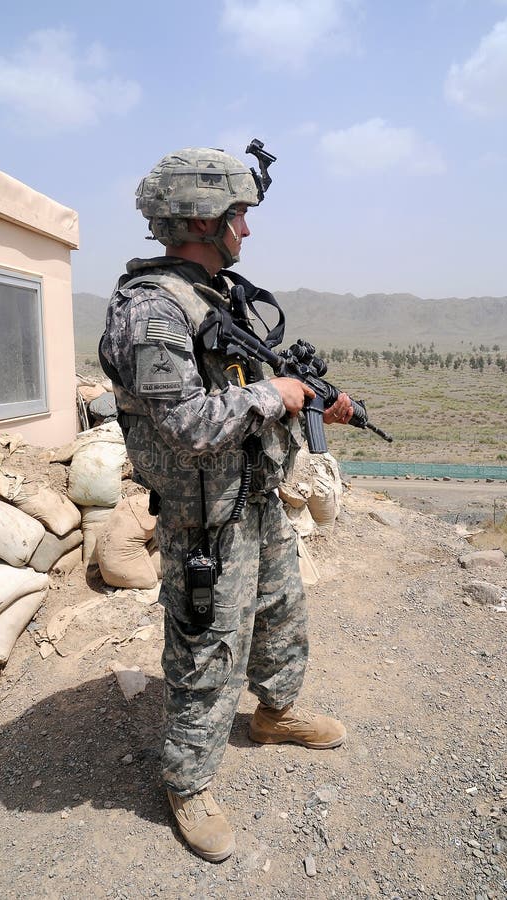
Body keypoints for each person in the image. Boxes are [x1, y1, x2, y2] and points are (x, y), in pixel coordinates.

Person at [99, 146, 353, 863]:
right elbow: (185, 423)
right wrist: (277, 396)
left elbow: (246, 376)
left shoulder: (217, 294)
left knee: (280, 612)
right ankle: (188, 782)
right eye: (238, 214)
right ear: (201, 220)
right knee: (206, 648)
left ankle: (275, 713)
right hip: (204, 516)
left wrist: (311, 395)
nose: (248, 228)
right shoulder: (152, 310)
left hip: (254, 494)